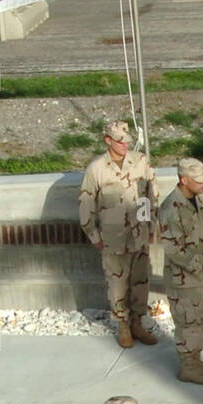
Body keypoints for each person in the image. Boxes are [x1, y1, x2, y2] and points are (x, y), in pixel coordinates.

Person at [78, 119, 159, 350]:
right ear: (108, 141)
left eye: (127, 141)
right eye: (120, 141)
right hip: (113, 238)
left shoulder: (140, 161)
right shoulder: (97, 169)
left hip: (139, 234)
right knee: (117, 284)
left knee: (141, 280)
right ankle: (123, 325)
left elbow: (150, 192)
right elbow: (86, 203)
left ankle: (137, 323)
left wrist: (148, 223)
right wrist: (93, 235)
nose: (124, 145)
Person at [157, 157, 203, 384]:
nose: (202, 184)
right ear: (183, 179)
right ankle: (188, 366)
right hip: (185, 280)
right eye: (197, 181)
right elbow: (173, 249)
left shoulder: (200, 199)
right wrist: (202, 261)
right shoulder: (170, 209)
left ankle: (196, 360)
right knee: (189, 323)